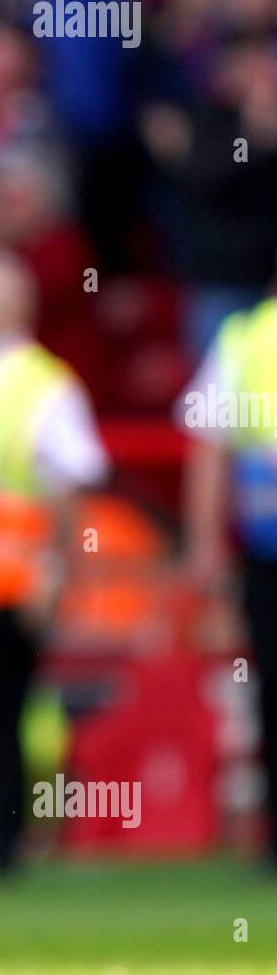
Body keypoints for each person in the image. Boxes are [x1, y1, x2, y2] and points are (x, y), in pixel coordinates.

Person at [0, 250, 109, 872]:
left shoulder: (44, 383)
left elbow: (68, 489)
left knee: (3, 717)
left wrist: (55, 575)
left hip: (9, 583)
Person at [178, 285, 277, 871]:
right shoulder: (244, 339)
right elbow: (211, 446)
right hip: (265, 553)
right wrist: (206, 550)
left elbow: (208, 450)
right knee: (268, 687)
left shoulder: (244, 338)